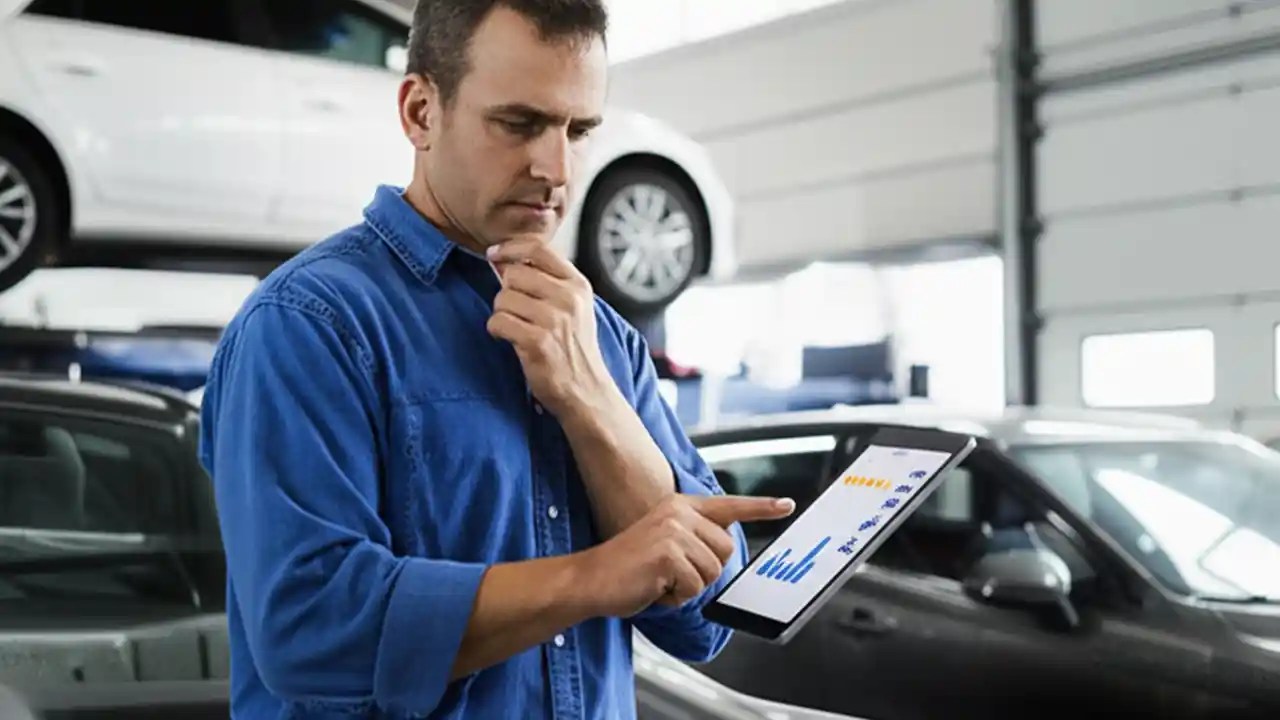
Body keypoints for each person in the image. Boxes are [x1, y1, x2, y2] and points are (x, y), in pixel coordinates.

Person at [198, 1, 795, 718]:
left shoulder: (599, 335)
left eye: (579, 130)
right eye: (519, 124)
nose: (556, 168)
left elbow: (703, 623)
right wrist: (594, 576)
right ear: (421, 112)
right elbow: (309, 629)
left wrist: (589, 397)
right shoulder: (307, 325)